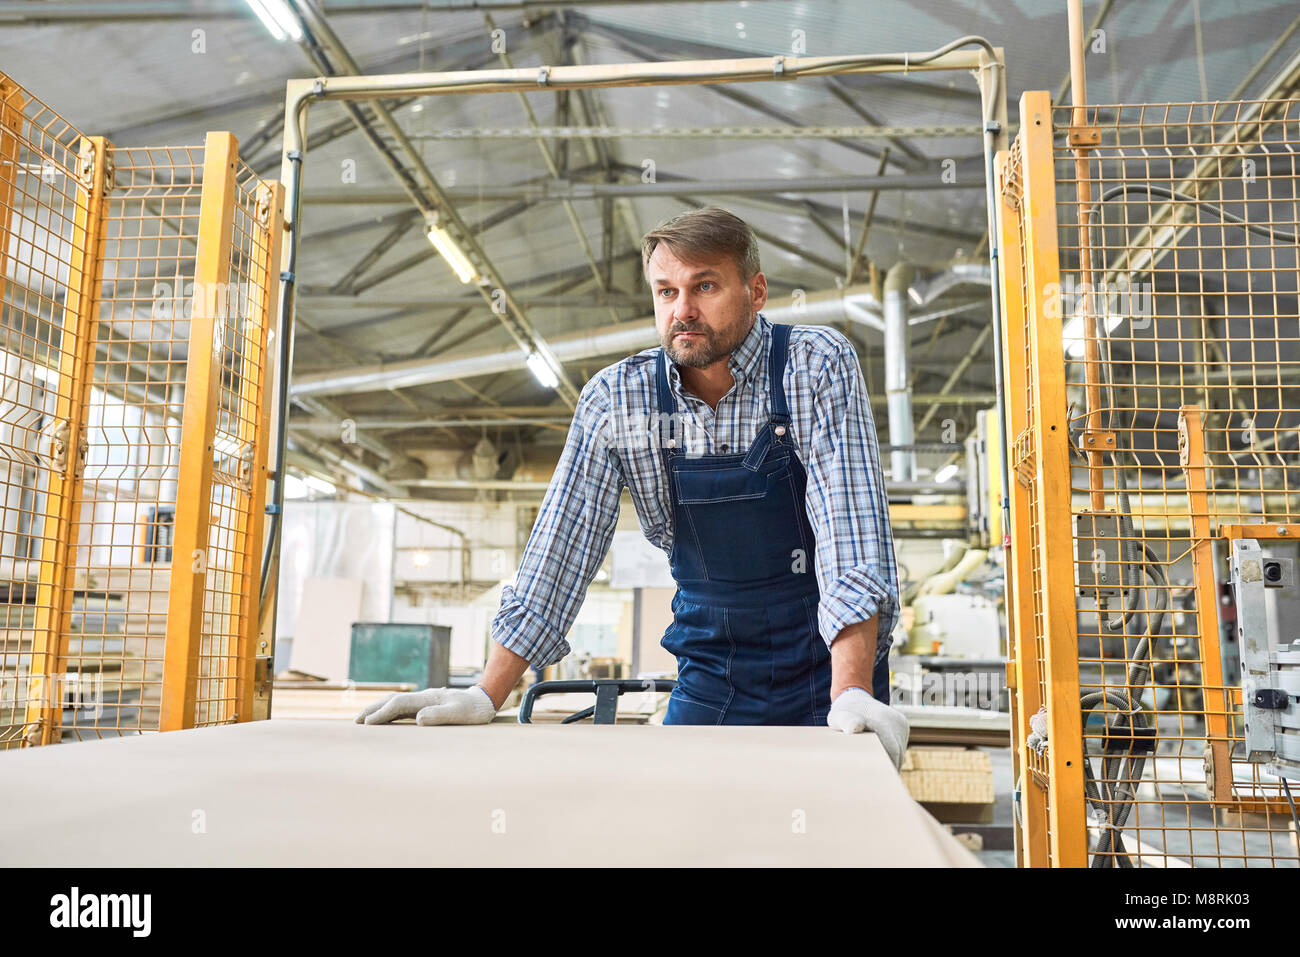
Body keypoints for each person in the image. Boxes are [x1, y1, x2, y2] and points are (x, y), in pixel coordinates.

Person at [357, 206, 909, 768]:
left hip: (831, 671)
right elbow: (560, 550)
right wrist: (485, 692)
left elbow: (852, 535)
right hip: (710, 675)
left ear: (757, 291)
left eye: (706, 286)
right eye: (666, 292)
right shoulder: (617, 400)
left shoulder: (816, 366)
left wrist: (851, 692)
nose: (684, 310)